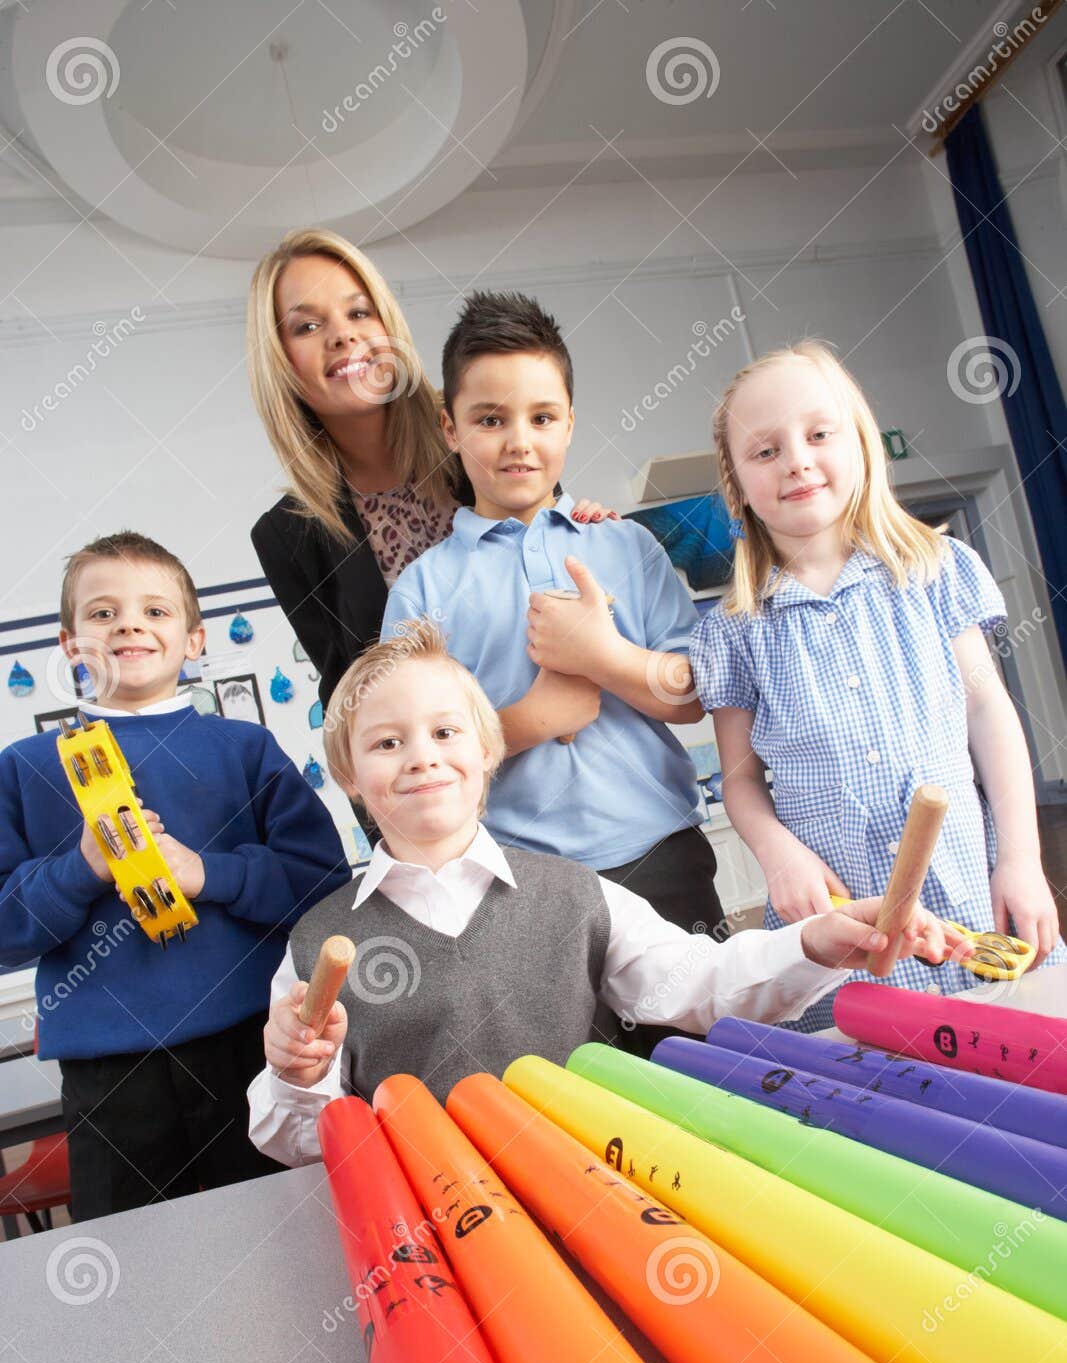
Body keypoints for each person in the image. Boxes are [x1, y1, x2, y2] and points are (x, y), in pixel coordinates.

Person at [247, 621, 965, 1166]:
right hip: (438, 1238)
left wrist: (812, 940)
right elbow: (296, 1140)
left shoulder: (573, 894)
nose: (423, 757)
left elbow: (699, 984)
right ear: (347, 775)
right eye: (386, 744)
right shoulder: (317, 942)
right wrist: (294, 1074)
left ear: (488, 750)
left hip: (595, 1193)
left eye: (444, 731)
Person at [690, 340, 1062, 1031]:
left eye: (818, 434)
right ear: (736, 486)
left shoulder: (933, 569)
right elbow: (739, 781)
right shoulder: (733, 630)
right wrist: (779, 857)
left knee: (1026, 1071)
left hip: (975, 901)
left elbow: (989, 715)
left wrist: (1019, 858)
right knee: (874, 1100)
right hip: (836, 922)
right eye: (764, 451)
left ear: (859, 445)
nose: (796, 459)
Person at [0, 532, 351, 1219]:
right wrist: (79, 871)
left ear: (194, 639)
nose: (129, 624)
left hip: (250, 1043)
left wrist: (207, 873)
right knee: (131, 1259)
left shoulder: (245, 749)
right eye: (102, 613)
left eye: (155, 612)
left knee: (280, 1230)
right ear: (70, 644)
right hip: (109, 1073)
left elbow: (323, 886)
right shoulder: (24, 767)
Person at [381, 291, 725, 977]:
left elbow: (696, 692)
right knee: (563, 1078)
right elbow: (411, 754)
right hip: (515, 880)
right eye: (489, 419)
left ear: (569, 423)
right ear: (449, 428)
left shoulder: (626, 544)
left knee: (708, 1058)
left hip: (660, 853)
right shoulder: (421, 590)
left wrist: (608, 659)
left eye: (541, 417)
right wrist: (530, 720)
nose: (518, 441)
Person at [246, 229, 615, 712]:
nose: (342, 335)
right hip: (435, 774)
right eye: (306, 327)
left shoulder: (481, 431)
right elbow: (349, 702)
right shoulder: (286, 536)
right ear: (281, 362)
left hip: (565, 746)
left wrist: (588, 530)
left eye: (359, 312)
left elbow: (560, 581)